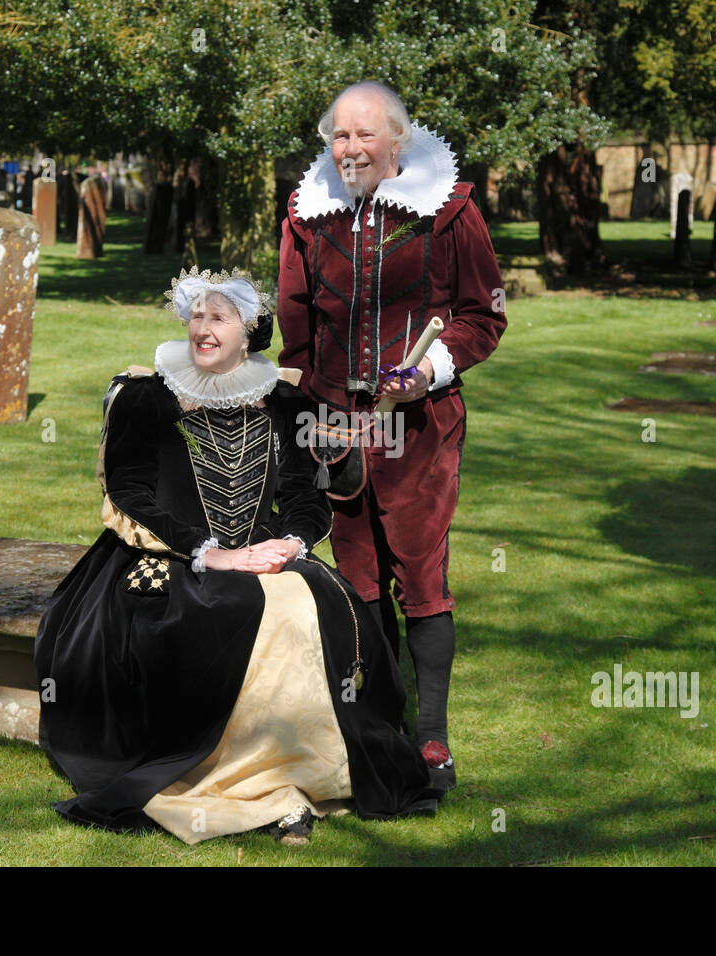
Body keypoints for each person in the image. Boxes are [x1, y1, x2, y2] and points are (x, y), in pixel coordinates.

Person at [35, 266, 437, 845]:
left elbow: (305, 495)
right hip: (166, 558)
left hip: (263, 554)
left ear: (247, 332)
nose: (202, 327)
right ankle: (229, 780)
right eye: (196, 316)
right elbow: (130, 494)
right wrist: (207, 552)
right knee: (216, 611)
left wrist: (292, 543)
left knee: (308, 605)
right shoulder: (145, 398)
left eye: (217, 318)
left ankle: (303, 776)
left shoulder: (285, 402)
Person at [278, 81, 507, 793]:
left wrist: (430, 369)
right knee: (356, 577)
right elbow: (297, 328)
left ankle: (431, 740)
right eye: (339, 136)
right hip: (336, 424)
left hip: (420, 428)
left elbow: (483, 316)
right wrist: (303, 412)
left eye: (365, 135)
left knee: (422, 573)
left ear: (398, 141)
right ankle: (377, 728)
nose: (350, 149)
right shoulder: (306, 218)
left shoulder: (450, 210)